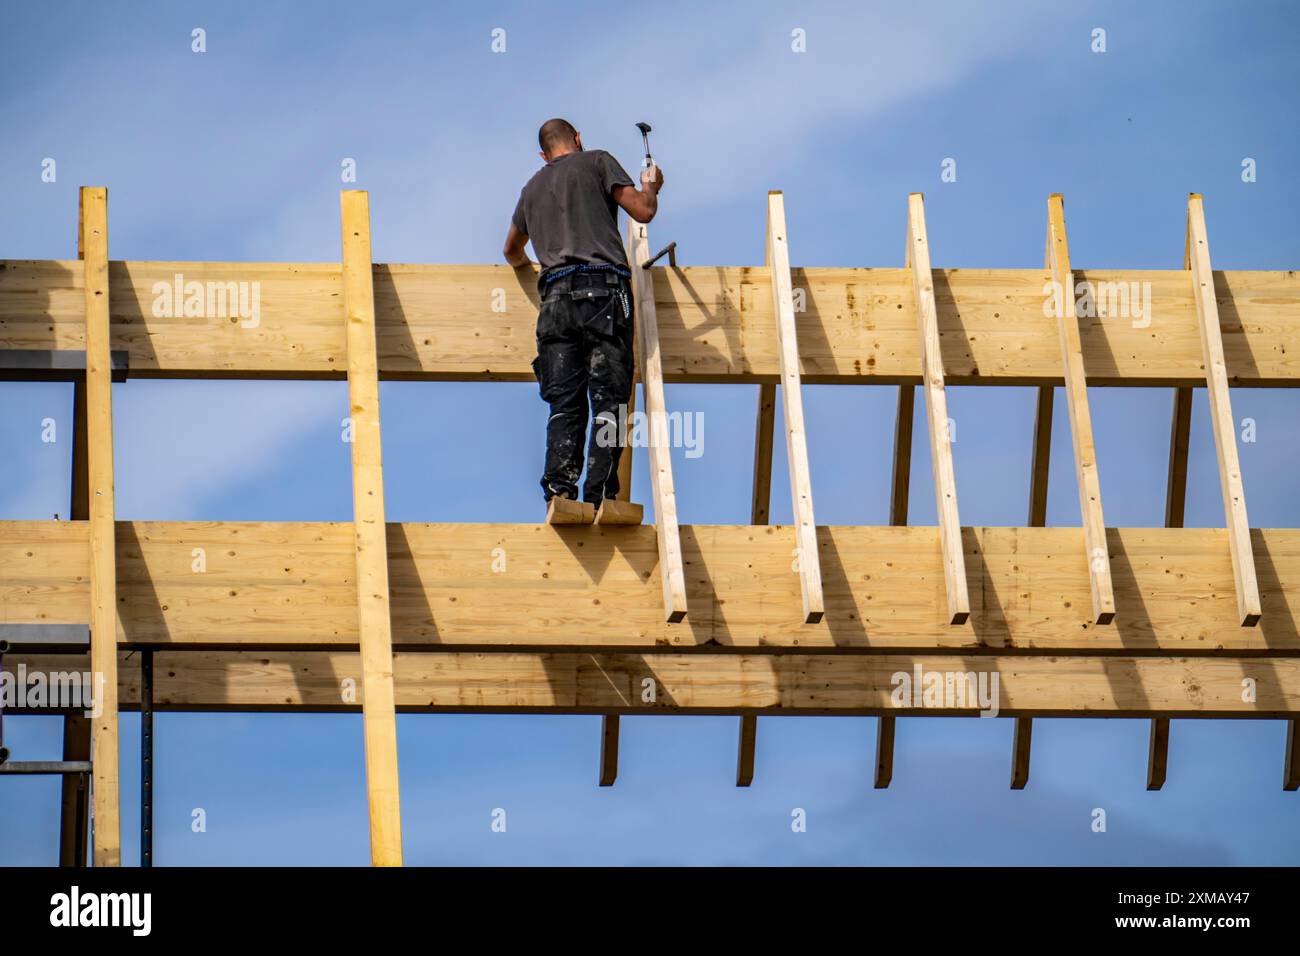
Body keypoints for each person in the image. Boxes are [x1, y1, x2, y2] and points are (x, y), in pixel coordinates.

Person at [504, 118, 664, 511]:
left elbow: (510, 250)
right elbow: (642, 212)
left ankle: (560, 492)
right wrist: (651, 186)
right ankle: (600, 498)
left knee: (565, 403)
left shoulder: (531, 189)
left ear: (543, 155)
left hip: (554, 303)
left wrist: (534, 266)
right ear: (577, 139)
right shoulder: (597, 162)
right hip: (602, 295)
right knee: (609, 398)